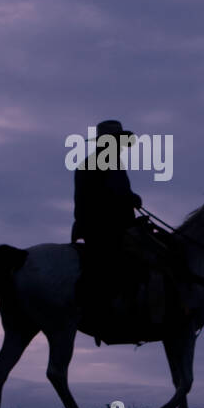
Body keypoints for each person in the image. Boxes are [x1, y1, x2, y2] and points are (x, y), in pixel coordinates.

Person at [71, 120, 144, 333]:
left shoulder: (102, 162)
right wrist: (130, 198)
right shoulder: (103, 163)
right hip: (105, 228)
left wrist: (129, 199)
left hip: (101, 225)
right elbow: (109, 196)